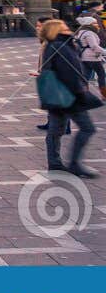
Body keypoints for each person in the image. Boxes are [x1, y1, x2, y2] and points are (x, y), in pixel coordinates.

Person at [38, 17, 99, 177]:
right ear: (56, 30)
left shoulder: (52, 45)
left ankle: (55, 163)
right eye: (64, 26)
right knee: (87, 128)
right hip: (69, 95)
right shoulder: (61, 45)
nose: (67, 28)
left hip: (56, 94)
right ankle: (74, 164)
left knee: (55, 130)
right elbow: (69, 72)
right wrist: (80, 92)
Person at [76, 15, 106, 100]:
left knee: (85, 76)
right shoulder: (89, 33)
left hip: (84, 57)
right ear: (89, 24)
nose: (97, 25)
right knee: (101, 75)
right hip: (92, 57)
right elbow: (94, 46)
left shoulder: (81, 32)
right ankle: (104, 94)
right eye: (95, 23)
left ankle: (83, 94)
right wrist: (104, 52)